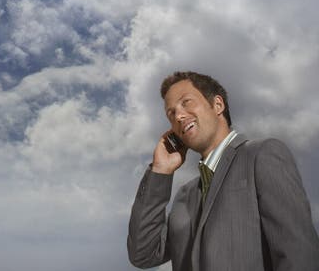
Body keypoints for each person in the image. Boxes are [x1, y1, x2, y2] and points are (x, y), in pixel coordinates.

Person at [127, 70, 319, 270]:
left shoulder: (262, 155)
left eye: (186, 102)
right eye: (171, 113)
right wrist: (160, 171)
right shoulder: (185, 195)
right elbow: (142, 254)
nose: (179, 116)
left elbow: (298, 255)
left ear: (218, 105)